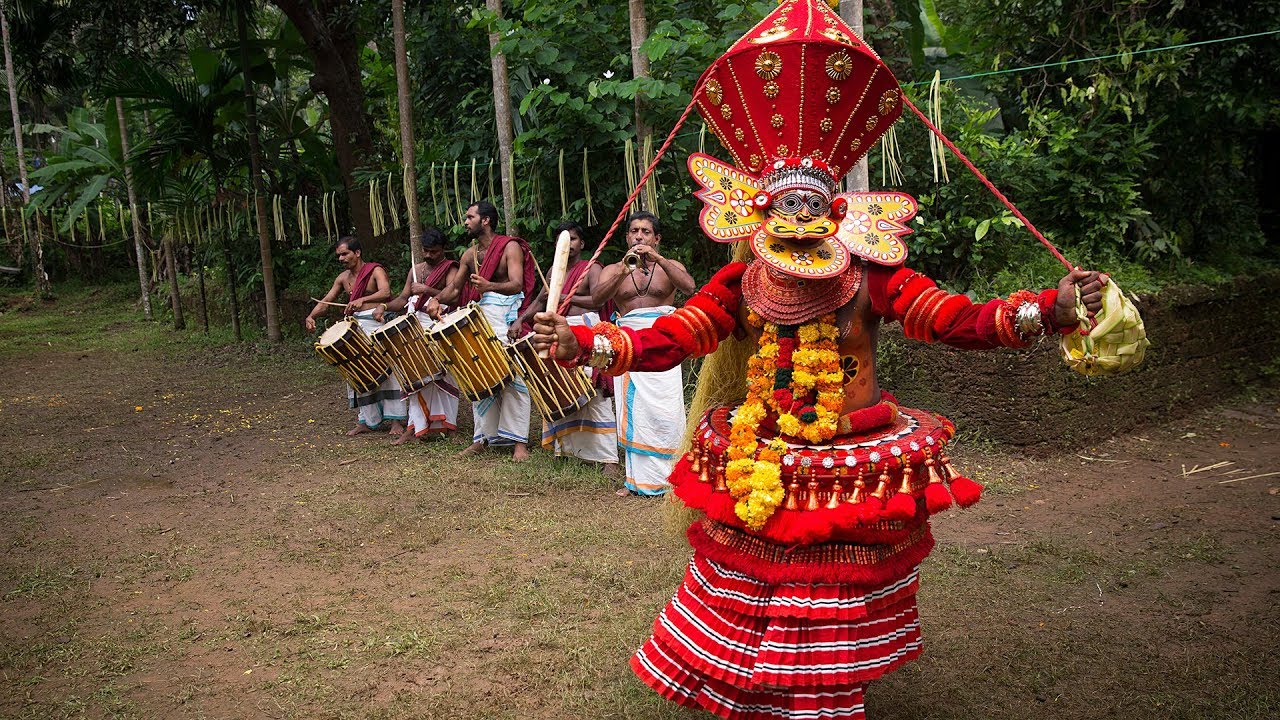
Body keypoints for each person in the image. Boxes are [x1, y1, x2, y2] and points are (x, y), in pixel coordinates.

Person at [532, 2, 1110, 718]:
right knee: (755, 585)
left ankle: (819, 694)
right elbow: (674, 336)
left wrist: (1049, 309)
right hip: (764, 448)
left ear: (839, 215)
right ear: (759, 215)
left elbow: (955, 320)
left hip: (847, 457)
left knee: (830, 593)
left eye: (814, 212)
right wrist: (585, 342)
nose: (800, 225)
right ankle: (756, 687)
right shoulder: (741, 282)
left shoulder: (872, 279)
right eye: (787, 211)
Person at [591, 211, 696, 496]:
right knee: (633, 410)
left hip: (664, 342)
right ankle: (634, 480)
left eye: (646, 232)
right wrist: (624, 271)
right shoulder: (613, 269)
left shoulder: (669, 265)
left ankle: (672, 477)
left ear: (656, 238)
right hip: (629, 342)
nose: (639, 236)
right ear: (627, 236)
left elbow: (689, 287)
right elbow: (597, 299)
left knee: (667, 410)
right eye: (634, 231)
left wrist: (658, 259)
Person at [427, 200, 537, 461]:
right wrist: (437, 299)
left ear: (485, 220)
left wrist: (489, 286)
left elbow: (517, 284)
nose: (465, 222)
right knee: (477, 374)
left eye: (470, 217)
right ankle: (482, 438)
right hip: (481, 317)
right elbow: (455, 289)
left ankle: (519, 443)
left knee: (514, 378)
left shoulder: (509, 247)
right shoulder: (469, 254)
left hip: (507, 315)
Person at [512, 221, 620, 478]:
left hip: (586, 331)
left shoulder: (592, 268)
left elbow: (598, 300)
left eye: (573, 239)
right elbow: (541, 300)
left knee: (593, 391)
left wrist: (564, 297)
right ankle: (566, 450)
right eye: (564, 239)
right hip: (558, 332)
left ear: (581, 243)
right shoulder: (552, 271)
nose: (569, 244)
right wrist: (520, 320)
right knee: (559, 386)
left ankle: (609, 458)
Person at [305, 237, 407, 437]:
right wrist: (311, 316)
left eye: (345, 254)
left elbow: (386, 291)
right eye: (339, 255)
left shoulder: (375, 270)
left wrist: (364, 299)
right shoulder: (342, 278)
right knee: (356, 370)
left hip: (376, 323)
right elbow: (327, 301)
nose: (341, 258)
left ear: (357, 253)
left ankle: (396, 421)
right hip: (354, 327)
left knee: (388, 371)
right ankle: (366, 420)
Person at [376, 227, 461, 444]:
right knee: (414, 376)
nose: (429, 255)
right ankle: (413, 427)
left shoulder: (451, 268)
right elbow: (402, 299)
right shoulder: (415, 270)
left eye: (434, 251)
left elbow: (454, 296)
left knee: (444, 376)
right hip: (413, 329)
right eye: (426, 251)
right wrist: (384, 306)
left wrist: (427, 290)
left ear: (443, 249)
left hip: (439, 326)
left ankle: (449, 427)